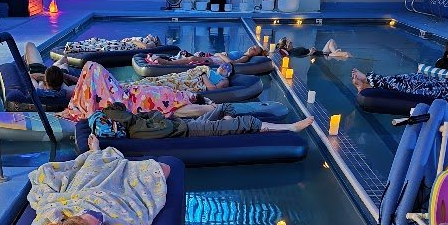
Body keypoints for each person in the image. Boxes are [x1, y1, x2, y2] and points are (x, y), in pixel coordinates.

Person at [28, 133, 169, 225]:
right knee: (161, 169)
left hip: (84, 190)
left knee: (92, 168)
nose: (94, 216)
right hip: (117, 197)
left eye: (84, 215)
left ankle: (96, 152)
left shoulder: (57, 217)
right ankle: (104, 157)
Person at [60, 60, 218, 122]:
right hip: (130, 92)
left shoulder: (179, 104)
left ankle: (77, 95)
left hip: (127, 100)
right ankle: (75, 88)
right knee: (91, 68)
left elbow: (204, 108)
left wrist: (211, 107)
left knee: (92, 67)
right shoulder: (181, 96)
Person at [91, 102, 315, 139]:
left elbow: (160, 119)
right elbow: (165, 126)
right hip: (190, 131)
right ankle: (291, 128)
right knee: (245, 122)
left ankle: (227, 117)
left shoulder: (133, 121)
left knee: (222, 107)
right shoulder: (136, 131)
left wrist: (152, 115)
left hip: (187, 124)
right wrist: (155, 115)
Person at [351, 66, 448, 103]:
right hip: (441, 84)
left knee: (406, 85)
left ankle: (368, 79)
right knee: (409, 77)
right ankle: (368, 84)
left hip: (443, 92)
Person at [140, 61, 234, 93]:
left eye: (227, 68)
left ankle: (145, 88)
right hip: (191, 75)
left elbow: (212, 89)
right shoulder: (211, 70)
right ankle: (142, 84)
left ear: (228, 73)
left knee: (171, 83)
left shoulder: (224, 80)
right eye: (223, 65)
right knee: (169, 78)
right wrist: (202, 70)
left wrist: (203, 75)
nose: (223, 67)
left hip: (198, 81)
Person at [144, 45, 267, 68]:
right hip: (217, 58)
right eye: (253, 46)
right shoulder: (242, 52)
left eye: (255, 49)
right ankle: (170, 61)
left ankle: (167, 63)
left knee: (193, 59)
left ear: (255, 54)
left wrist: (220, 54)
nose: (252, 47)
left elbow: (232, 63)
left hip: (219, 62)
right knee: (192, 57)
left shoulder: (245, 57)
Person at [63, 33, 161, 55]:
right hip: (123, 43)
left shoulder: (151, 43)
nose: (150, 35)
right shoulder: (144, 39)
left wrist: (131, 41)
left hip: (127, 46)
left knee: (103, 47)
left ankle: (73, 47)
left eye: (153, 37)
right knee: (97, 41)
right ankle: (73, 46)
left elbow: (145, 47)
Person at [278, 37, 351, 59]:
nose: (291, 42)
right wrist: (311, 52)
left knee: (331, 41)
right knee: (346, 54)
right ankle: (334, 53)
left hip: (322, 52)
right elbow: (302, 57)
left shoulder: (293, 50)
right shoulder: (293, 53)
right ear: (286, 47)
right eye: (289, 43)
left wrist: (311, 50)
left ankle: (334, 52)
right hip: (324, 55)